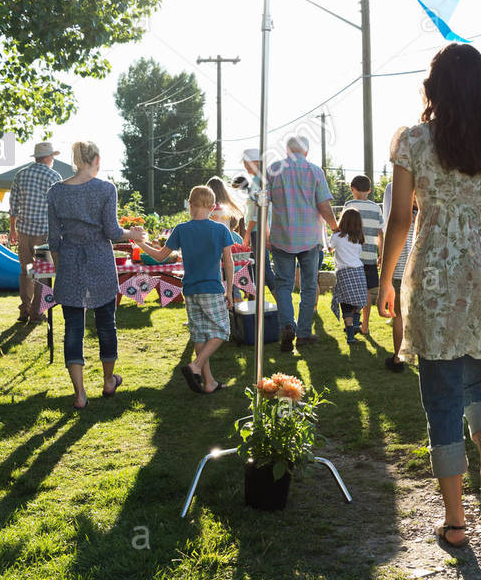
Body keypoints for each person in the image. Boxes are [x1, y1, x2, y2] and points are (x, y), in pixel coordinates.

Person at [379, 43, 481, 548]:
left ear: (435, 87)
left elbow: (401, 219)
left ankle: (455, 522)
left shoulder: (415, 142)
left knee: (441, 396)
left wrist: (385, 279)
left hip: (437, 272)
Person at [47, 141, 144, 410]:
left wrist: (60, 267)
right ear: (97, 159)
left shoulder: (55, 192)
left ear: (75, 159)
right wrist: (133, 235)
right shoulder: (105, 189)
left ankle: (80, 394)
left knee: (73, 329)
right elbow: (113, 232)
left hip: (69, 263)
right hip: (100, 261)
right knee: (105, 324)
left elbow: (54, 239)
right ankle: (109, 380)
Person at [140, 185, 237, 394]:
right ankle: (195, 365)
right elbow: (229, 263)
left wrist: (141, 243)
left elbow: (159, 257)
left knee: (200, 336)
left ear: (190, 205)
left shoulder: (181, 229)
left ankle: (209, 382)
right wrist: (229, 290)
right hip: (212, 289)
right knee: (222, 330)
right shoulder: (221, 229)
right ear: (212, 207)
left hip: (190, 290)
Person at [267, 136, 339, 351]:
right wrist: (335, 227)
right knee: (308, 286)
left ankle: (287, 325)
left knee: (283, 285)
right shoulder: (315, 171)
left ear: (287, 150)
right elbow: (324, 206)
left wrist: (266, 233)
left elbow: (261, 204)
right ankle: (304, 333)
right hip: (309, 238)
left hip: (281, 237)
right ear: (306, 151)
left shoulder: (273, 170)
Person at [9, 141, 62, 324]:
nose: (53, 159)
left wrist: (12, 230)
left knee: (25, 271)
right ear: (48, 157)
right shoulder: (54, 176)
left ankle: (24, 310)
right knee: (43, 272)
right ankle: (37, 313)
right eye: (53, 156)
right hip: (45, 232)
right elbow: (58, 207)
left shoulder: (21, 174)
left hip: (23, 231)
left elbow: (13, 204)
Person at [342, 174, 383, 335]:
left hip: (351, 257)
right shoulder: (376, 208)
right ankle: (365, 326)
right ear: (369, 190)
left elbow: (343, 229)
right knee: (366, 291)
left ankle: (351, 323)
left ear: (353, 189)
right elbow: (380, 233)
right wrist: (382, 254)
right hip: (370, 257)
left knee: (350, 289)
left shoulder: (349, 204)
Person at [381, 187, 416, 372]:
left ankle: (398, 358)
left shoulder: (393, 188)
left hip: (401, 258)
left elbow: (390, 221)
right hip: (425, 257)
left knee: (400, 314)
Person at [328, 208, 369, 344]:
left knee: (346, 303)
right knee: (359, 300)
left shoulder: (337, 237)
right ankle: (356, 324)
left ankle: (351, 336)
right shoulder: (358, 238)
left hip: (344, 272)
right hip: (358, 271)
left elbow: (330, 248)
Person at [240, 149, 276, 301]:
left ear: (256, 163)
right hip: (259, 230)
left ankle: (283, 306)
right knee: (254, 268)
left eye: (246, 162)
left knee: (264, 270)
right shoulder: (260, 181)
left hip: (256, 231)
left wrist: (247, 233)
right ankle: (254, 303)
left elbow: (257, 211)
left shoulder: (257, 182)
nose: (244, 165)